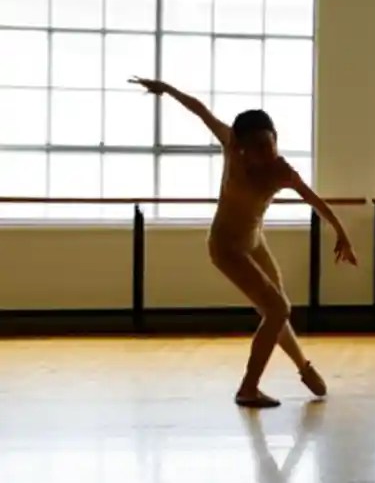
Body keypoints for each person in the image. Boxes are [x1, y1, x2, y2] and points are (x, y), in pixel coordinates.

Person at [130, 77, 358, 408]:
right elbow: (200, 110)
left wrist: (342, 234)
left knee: (276, 309)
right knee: (278, 309)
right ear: (241, 148)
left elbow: (315, 200)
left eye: (271, 145)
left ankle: (303, 367)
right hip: (225, 247)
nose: (266, 154)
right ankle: (248, 388)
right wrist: (165, 89)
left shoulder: (282, 171)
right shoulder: (230, 147)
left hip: (254, 242)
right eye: (258, 149)